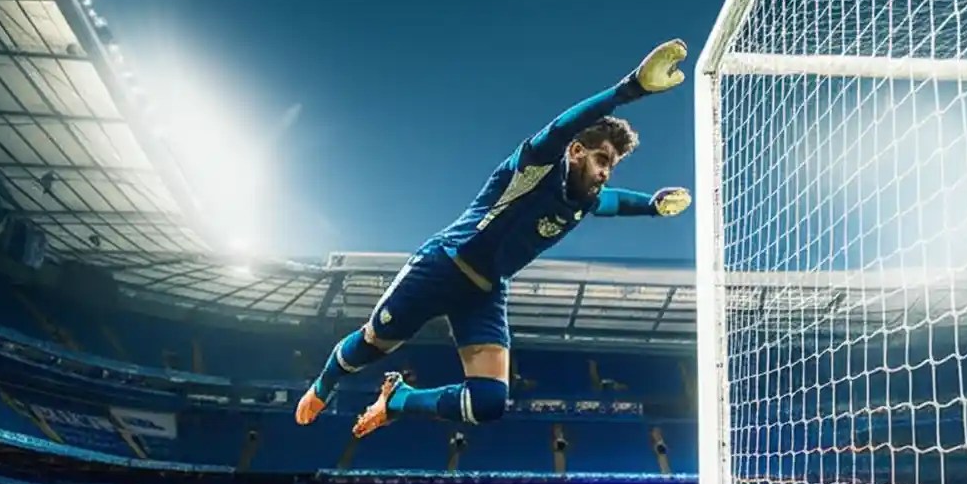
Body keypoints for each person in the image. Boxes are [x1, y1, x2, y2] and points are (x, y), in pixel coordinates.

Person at [294, 38, 692, 438]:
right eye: (602, 159)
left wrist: (652, 206)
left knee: (488, 403)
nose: (606, 172)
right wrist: (630, 89)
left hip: (484, 292)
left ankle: (398, 400)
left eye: (613, 165)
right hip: (442, 266)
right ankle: (322, 385)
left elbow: (616, 203)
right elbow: (561, 125)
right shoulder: (535, 167)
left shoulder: (584, 201)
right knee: (373, 344)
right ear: (575, 151)